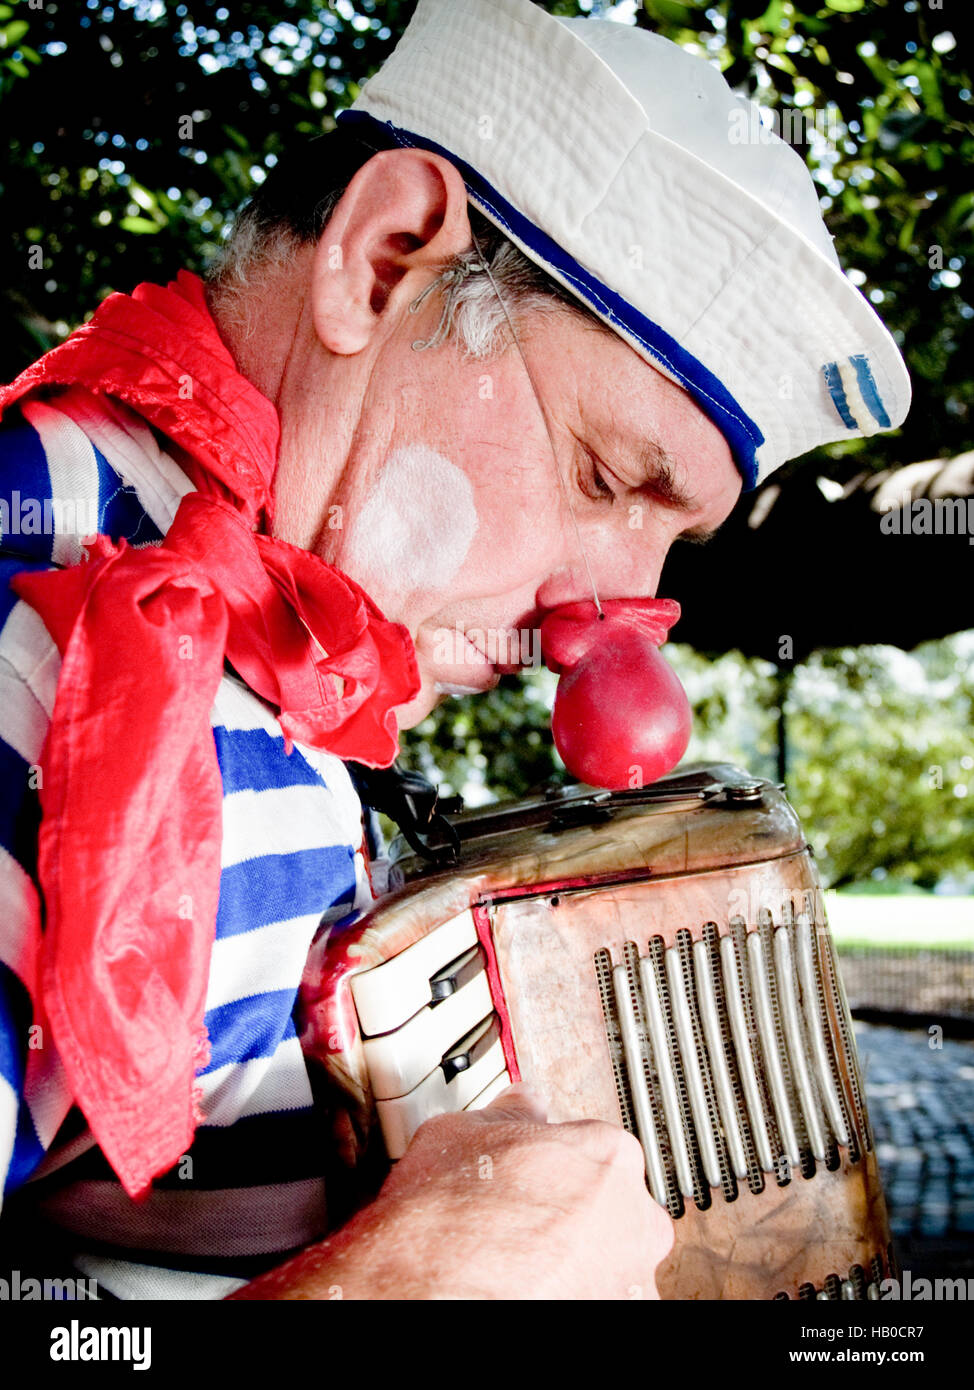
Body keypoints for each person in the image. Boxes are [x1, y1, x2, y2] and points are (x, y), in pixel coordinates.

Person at [0, 0, 908, 1300]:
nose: (601, 617)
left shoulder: (275, 637)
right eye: (607, 476)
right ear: (382, 258)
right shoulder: (58, 603)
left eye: (671, 546)